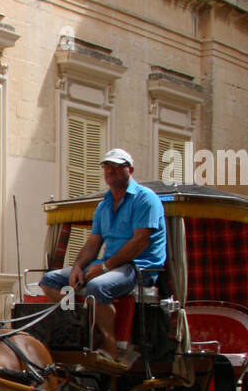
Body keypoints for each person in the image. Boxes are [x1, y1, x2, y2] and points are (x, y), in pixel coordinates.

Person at [39, 148, 166, 366]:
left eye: (117, 166)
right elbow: (93, 242)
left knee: (97, 287)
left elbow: (139, 242)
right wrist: (79, 266)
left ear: (130, 169)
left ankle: (111, 343)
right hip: (109, 265)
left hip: (137, 266)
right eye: (107, 166)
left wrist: (105, 267)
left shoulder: (146, 199)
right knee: (49, 281)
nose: (111, 170)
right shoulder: (103, 205)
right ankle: (79, 329)